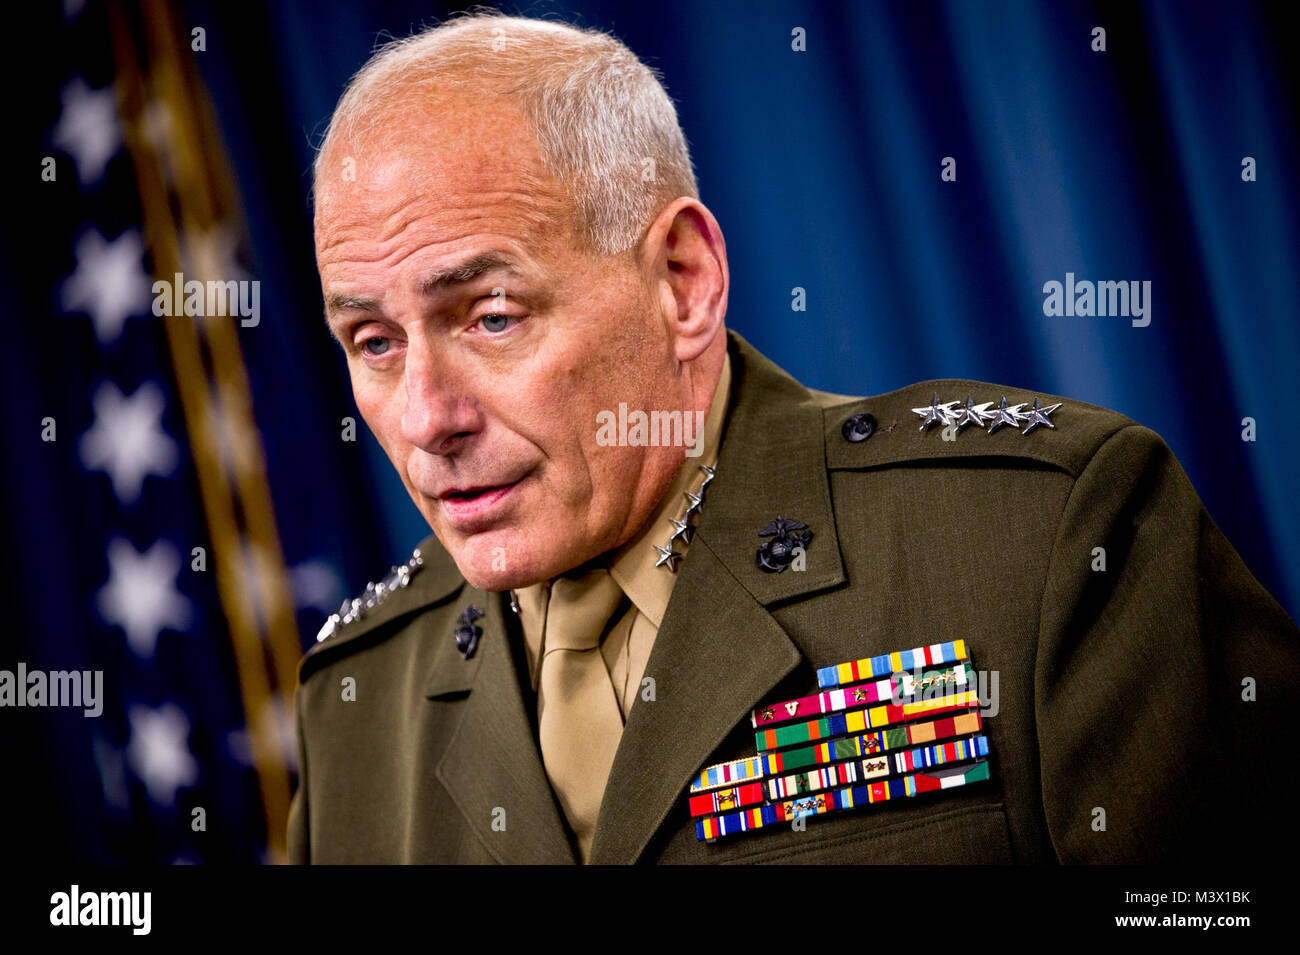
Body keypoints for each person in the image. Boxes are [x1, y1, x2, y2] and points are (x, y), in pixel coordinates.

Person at [288, 10, 1299, 864]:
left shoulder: (1042, 544)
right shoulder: (360, 698)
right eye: (372, 342)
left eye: (490, 317)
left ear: (682, 280)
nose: (426, 417)